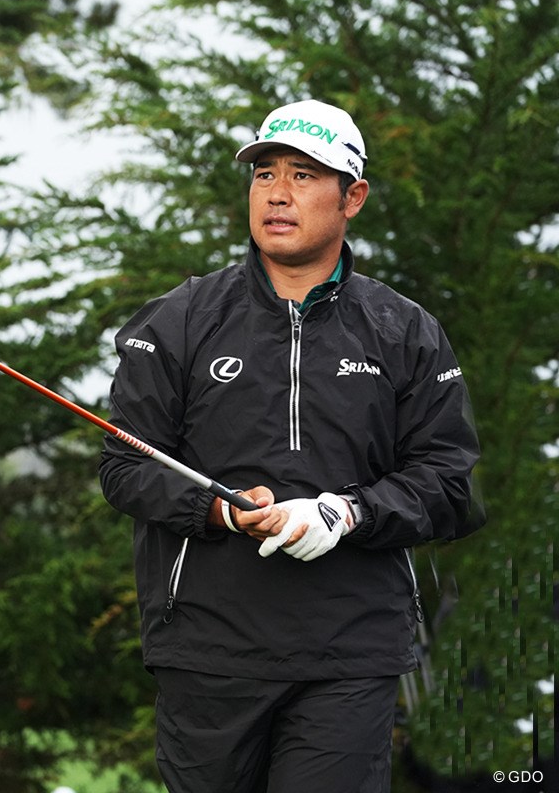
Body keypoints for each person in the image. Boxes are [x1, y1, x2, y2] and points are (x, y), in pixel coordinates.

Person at [99, 99, 484, 792]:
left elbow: (450, 482)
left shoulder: (405, 331)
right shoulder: (179, 320)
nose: (278, 192)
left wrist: (345, 513)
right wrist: (218, 510)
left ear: (353, 197)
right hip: (208, 651)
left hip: (349, 654)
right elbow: (126, 467)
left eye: (305, 176)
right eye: (265, 173)